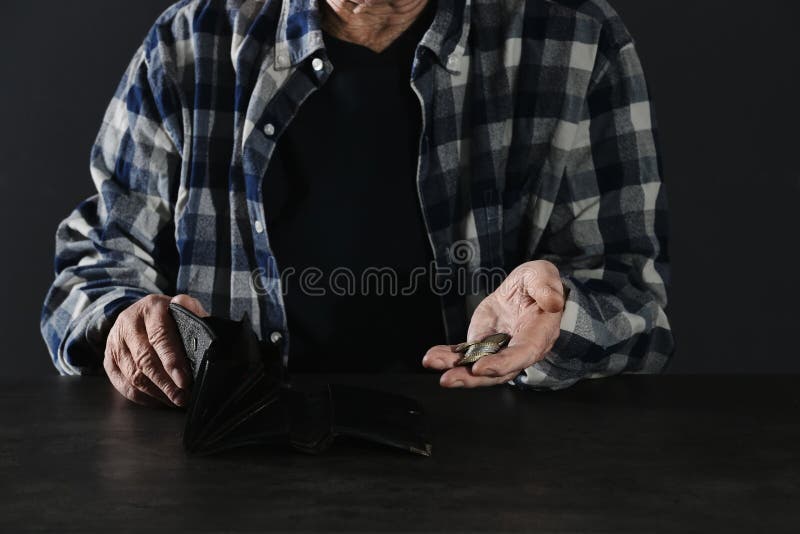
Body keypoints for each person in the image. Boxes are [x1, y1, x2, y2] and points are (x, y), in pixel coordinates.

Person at [41, 0, 673, 408]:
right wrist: (125, 323)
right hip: (235, 464)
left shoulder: (578, 40)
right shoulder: (188, 45)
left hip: (494, 468)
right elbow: (95, 264)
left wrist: (556, 321)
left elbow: (632, 301)